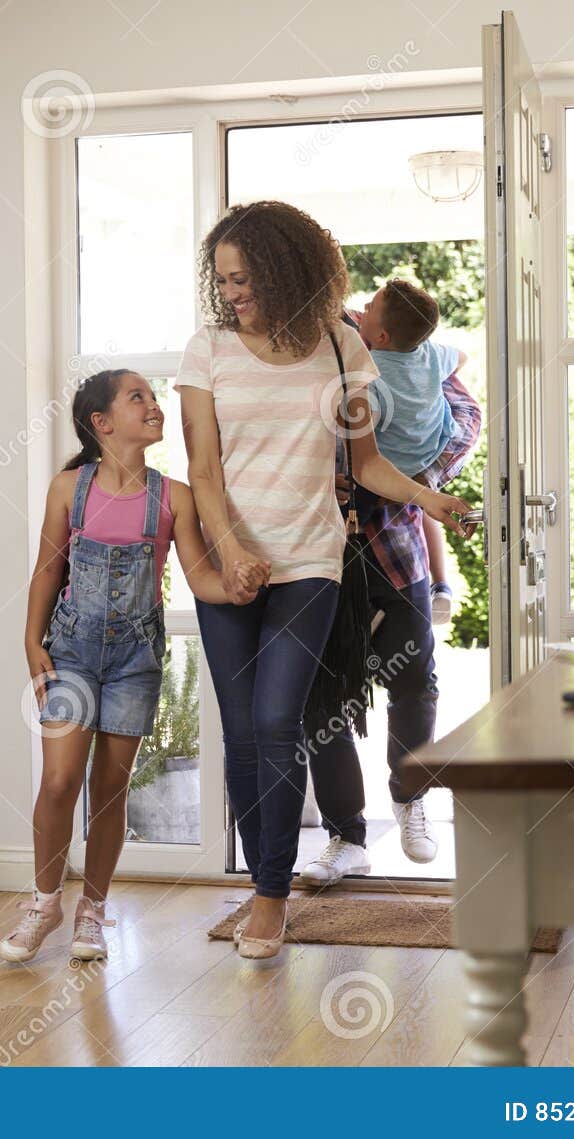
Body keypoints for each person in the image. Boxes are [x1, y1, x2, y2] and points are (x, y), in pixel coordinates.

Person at [177, 201, 472, 960]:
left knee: (279, 720)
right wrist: (233, 551)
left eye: (244, 278)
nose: (233, 292)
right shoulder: (207, 350)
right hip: (228, 565)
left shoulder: (342, 347)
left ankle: (271, 895)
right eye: (224, 280)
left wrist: (428, 496)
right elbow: (203, 471)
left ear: (285, 269)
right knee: (243, 734)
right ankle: (264, 882)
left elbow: (366, 461)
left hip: (309, 561)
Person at [1, 369, 260, 964]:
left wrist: (236, 589)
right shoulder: (70, 489)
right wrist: (31, 643)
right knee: (61, 781)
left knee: (112, 789)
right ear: (101, 422)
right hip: (69, 653)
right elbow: (47, 569)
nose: (153, 404)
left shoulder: (174, 496)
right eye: (136, 397)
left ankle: (93, 911)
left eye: (152, 396)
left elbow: (197, 577)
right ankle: (44, 903)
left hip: (134, 660)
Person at [299, 318, 483, 886]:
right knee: (323, 697)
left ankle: (410, 796)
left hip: (394, 547)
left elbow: (467, 416)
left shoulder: (384, 342)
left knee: (414, 680)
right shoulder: (281, 352)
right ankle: (345, 838)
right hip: (313, 550)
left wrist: (414, 478)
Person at [355, 278, 473, 626]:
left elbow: (367, 425)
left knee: (354, 518)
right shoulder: (429, 353)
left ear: (381, 338)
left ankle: (363, 600)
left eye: (371, 307)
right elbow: (462, 357)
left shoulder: (371, 373)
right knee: (425, 506)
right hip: (432, 450)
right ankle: (441, 586)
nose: (363, 308)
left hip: (390, 471)